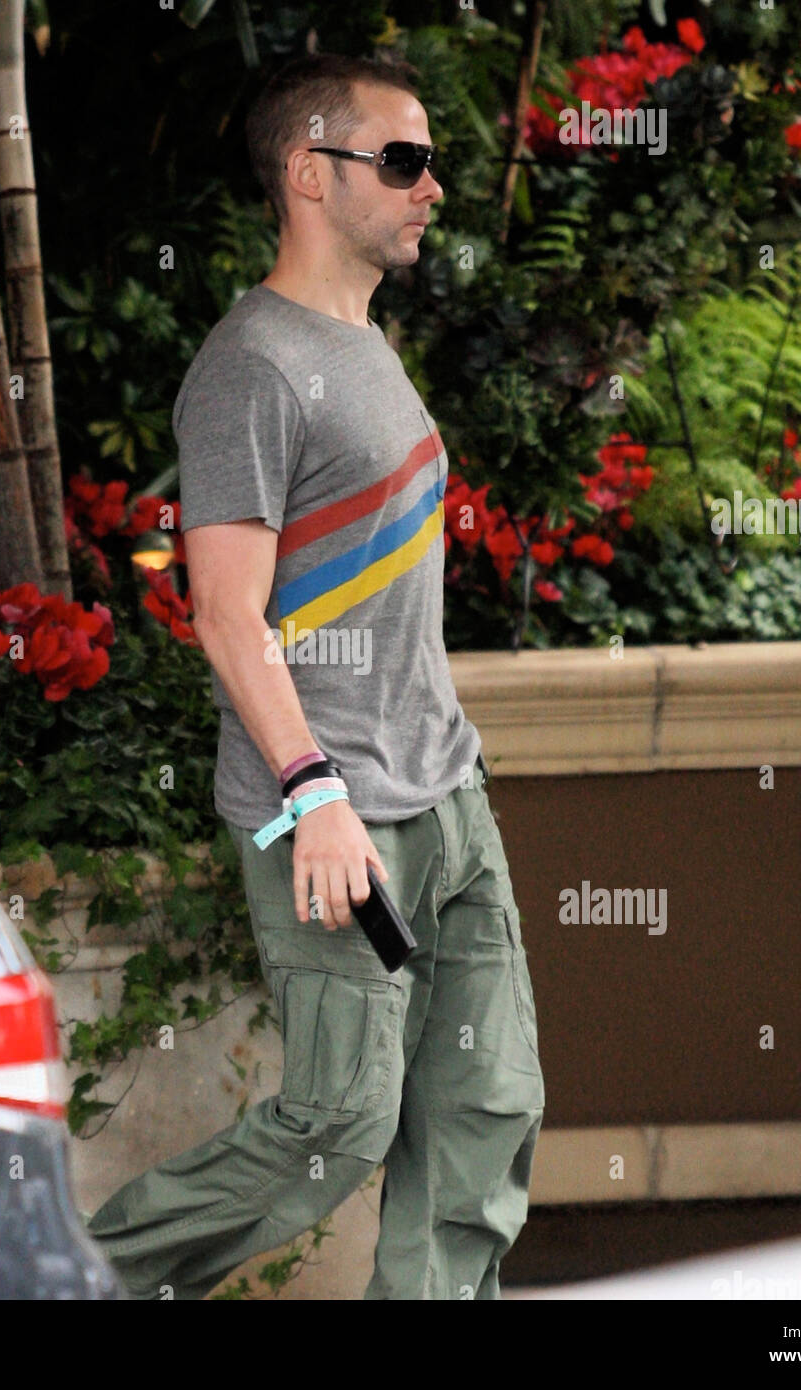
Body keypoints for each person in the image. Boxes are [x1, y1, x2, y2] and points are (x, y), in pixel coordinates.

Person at [89, 51, 544, 1301]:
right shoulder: (250, 366)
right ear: (308, 172)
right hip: (333, 819)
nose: (431, 186)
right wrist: (314, 793)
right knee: (339, 1124)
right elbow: (226, 614)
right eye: (400, 160)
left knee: (482, 1111)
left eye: (429, 161)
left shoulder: (363, 347)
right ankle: (63, 1279)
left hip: (441, 799)